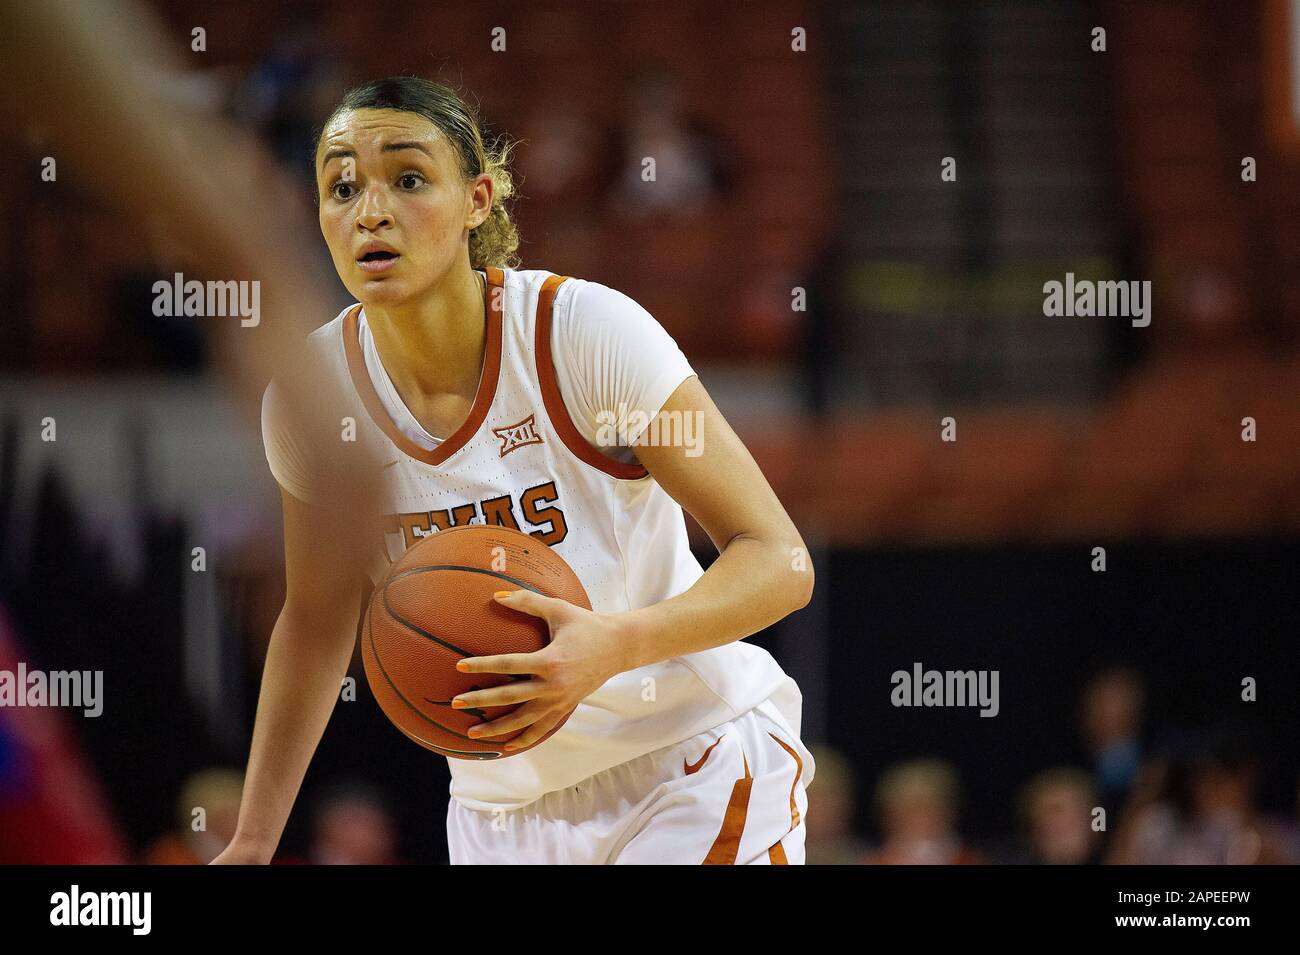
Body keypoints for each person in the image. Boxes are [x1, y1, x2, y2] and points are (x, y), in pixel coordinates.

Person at [216, 76, 816, 865]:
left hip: (689, 763)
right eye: (341, 185)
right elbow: (318, 620)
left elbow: (780, 559)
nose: (370, 210)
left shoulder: (583, 335)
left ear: (478, 199)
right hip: (497, 816)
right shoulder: (310, 399)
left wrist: (613, 644)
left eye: (407, 178)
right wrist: (252, 842)